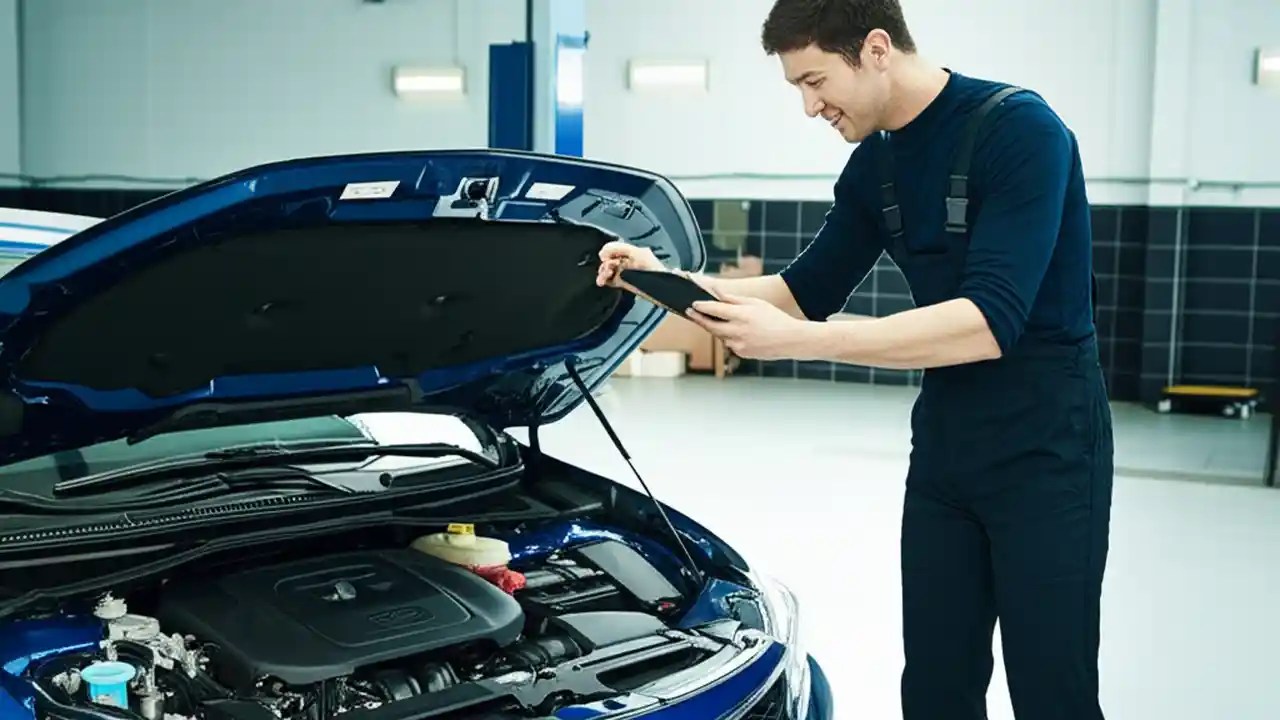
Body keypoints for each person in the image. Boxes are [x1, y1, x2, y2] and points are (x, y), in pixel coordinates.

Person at [595, 1, 1114, 719]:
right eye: (797, 90)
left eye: (815, 81)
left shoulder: (1021, 130)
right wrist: (661, 281)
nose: (810, 108)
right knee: (935, 684)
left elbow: (989, 322)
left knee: (1050, 689)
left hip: (1049, 452)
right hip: (947, 450)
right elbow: (800, 293)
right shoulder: (877, 163)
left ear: (875, 48)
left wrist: (806, 343)